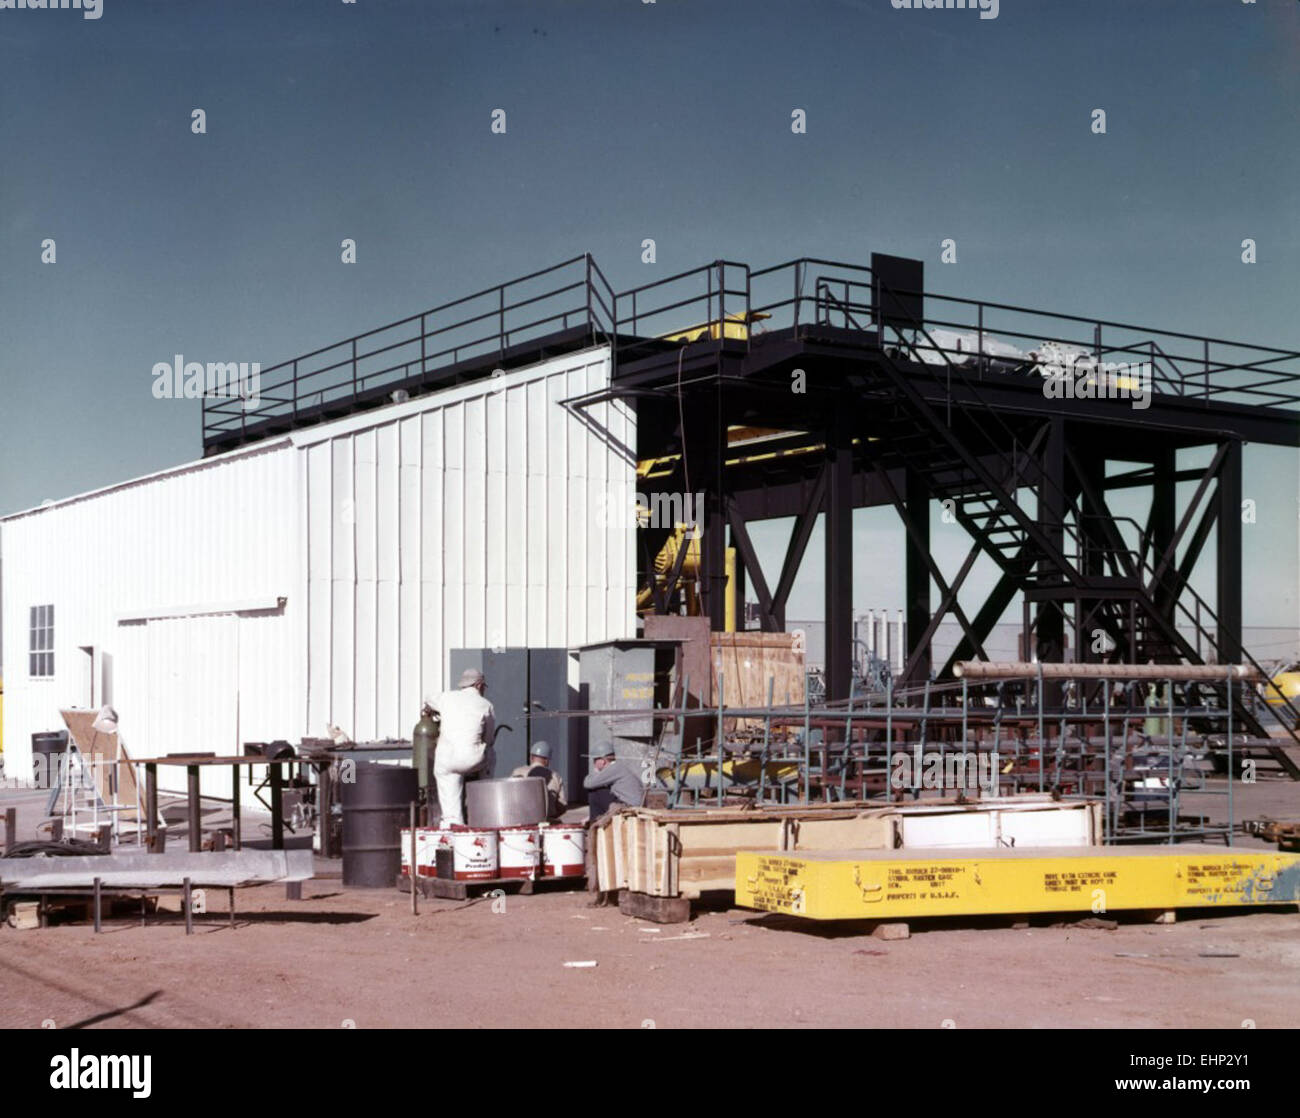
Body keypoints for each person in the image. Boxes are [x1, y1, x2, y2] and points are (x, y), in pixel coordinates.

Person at [429, 668, 496, 826]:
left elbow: (428, 698)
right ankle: (484, 805)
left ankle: (452, 826)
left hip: (447, 761)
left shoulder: (446, 697)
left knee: (450, 805)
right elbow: (489, 739)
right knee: (491, 753)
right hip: (472, 760)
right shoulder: (486, 705)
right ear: (479, 685)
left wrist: (431, 709)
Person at [582, 744, 645, 822]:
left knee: (594, 792)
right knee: (602, 789)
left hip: (628, 805)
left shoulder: (613, 769)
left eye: (595, 760)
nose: (594, 763)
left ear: (603, 761)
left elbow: (588, 783)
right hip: (630, 802)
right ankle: (594, 818)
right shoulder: (617, 767)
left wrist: (596, 771)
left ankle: (595, 822)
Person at [510, 740, 567, 819]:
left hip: (523, 820)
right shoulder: (555, 777)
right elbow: (562, 806)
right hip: (548, 820)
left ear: (531, 757)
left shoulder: (517, 772)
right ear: (547, 761)